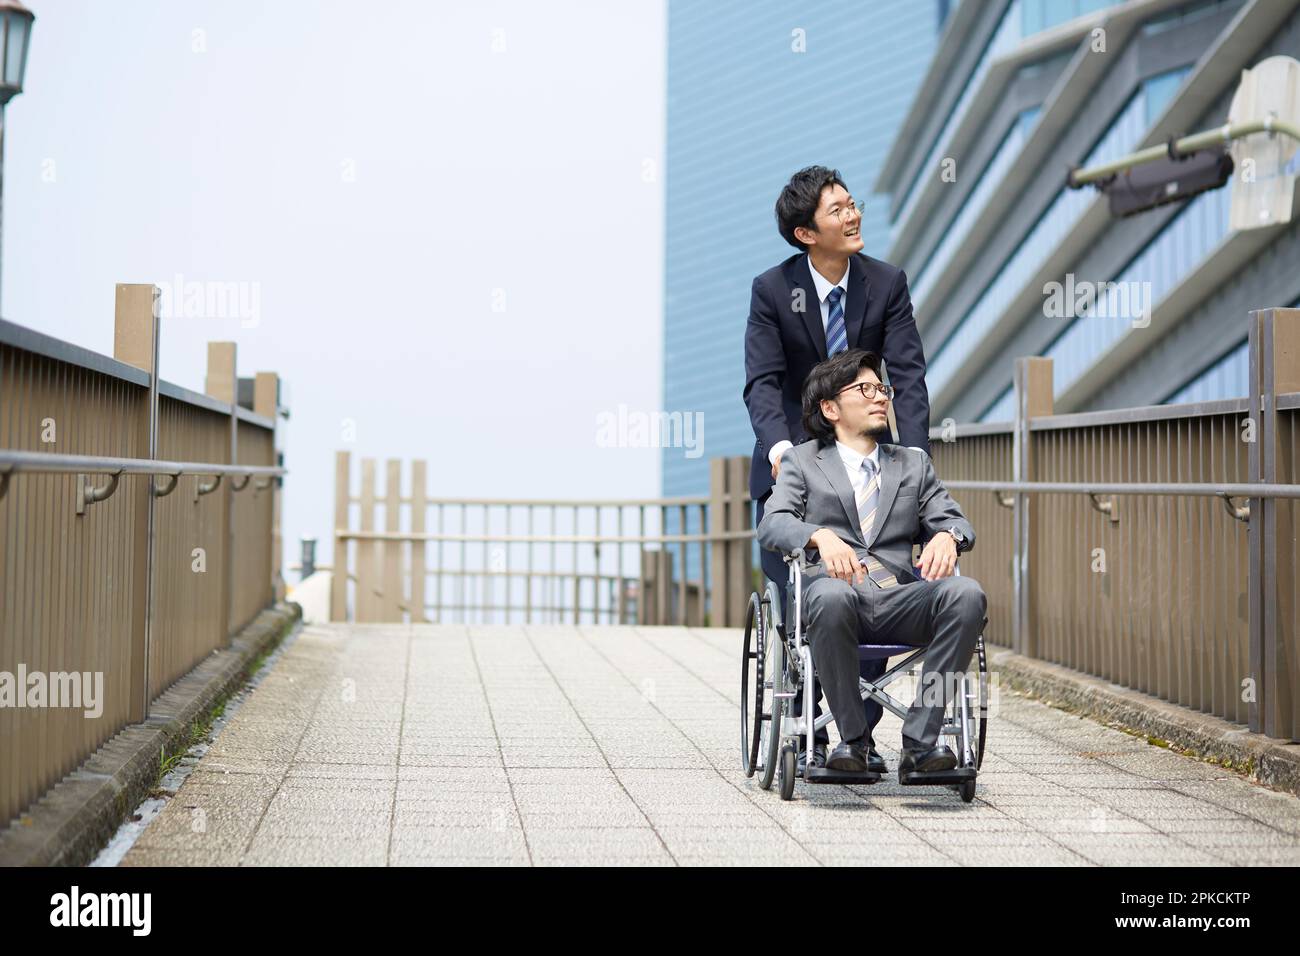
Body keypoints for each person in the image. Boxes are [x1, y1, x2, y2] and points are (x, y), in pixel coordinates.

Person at [743, 165, 931, 774]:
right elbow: (763, 383)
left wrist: (916, 461)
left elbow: (908, 377)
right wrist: (778, 450)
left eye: (854, 205)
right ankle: (814, 724)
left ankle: (854, 731)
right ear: (805, 233)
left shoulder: (886, 283)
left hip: (872, 469)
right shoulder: (773, 291)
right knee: (807, 598)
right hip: (795, 473)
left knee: (878, 585)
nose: (853, 217)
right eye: (837, 211)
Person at [756, 349, 985, 778]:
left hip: (901, 600)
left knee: (967, 593)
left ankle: (920, 743)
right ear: (830, 408)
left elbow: (956, 520)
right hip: (836, 602)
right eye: (865, 389)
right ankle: (853, 742)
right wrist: (818, 535)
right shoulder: (802, 462)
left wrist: (946, 536)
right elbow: (773, 523)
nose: (880, 397)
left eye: (882, 388)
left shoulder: (913, 463)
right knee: (828, 593)